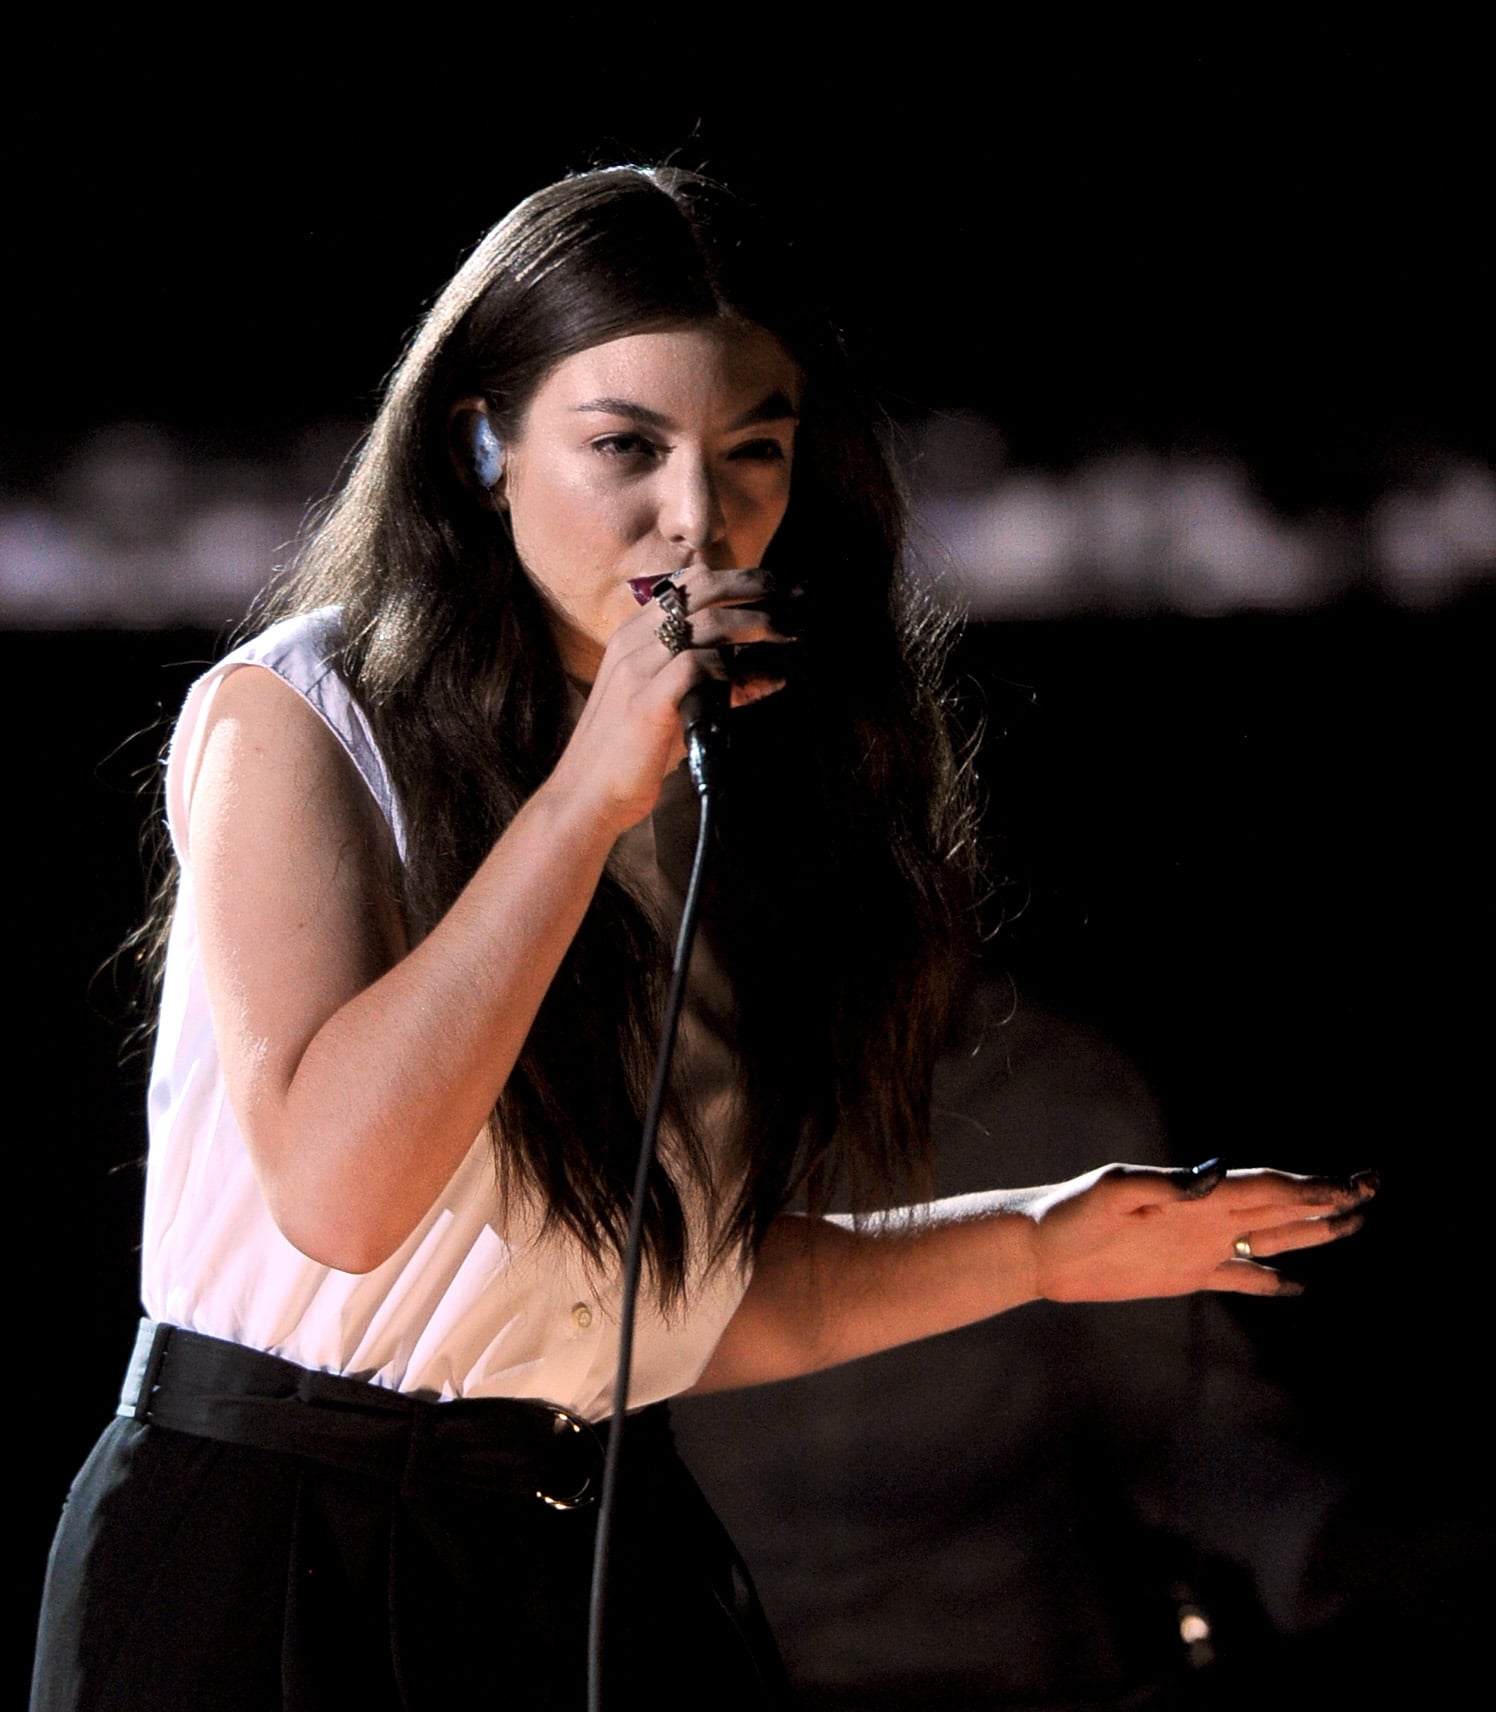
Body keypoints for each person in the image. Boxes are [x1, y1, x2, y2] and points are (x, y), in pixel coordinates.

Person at [30, 165, 1374, 1712]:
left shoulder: (730, 772)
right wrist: (580, 803)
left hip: (587, 1537)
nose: (700, 516)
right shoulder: (304, 720)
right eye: (626, 448)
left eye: (754, 451)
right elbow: (343, 1193)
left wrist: (1044, 1246)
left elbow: (663, 1309)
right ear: (480, 445)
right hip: (277, 1557)